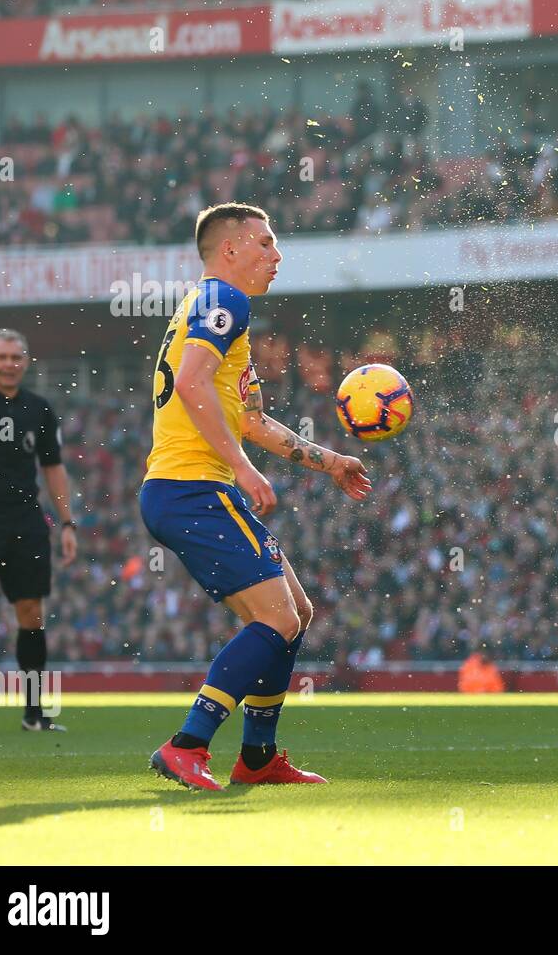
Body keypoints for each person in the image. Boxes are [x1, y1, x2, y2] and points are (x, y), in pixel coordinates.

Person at [144, 202, 372, 791]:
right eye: (265, 244)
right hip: (193, 486)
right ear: (230, 250)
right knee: (276, 615)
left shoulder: (221, 316)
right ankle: (187, 744)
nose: (276, 255)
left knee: (294, 614)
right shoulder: (225, 299)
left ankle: (258, 756)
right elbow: (193, 384)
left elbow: (253, 421)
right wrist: (243, 471)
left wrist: (330, 462)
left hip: (187, 488)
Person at [0, 329, 77, 732]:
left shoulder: (39, 409)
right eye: (3, 357)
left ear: (26, 362)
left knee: (31, 614)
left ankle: (34, 714)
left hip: (26, 520)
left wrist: (67, 523)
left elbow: (54, 468)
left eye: (16, 357)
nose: (9, 364)